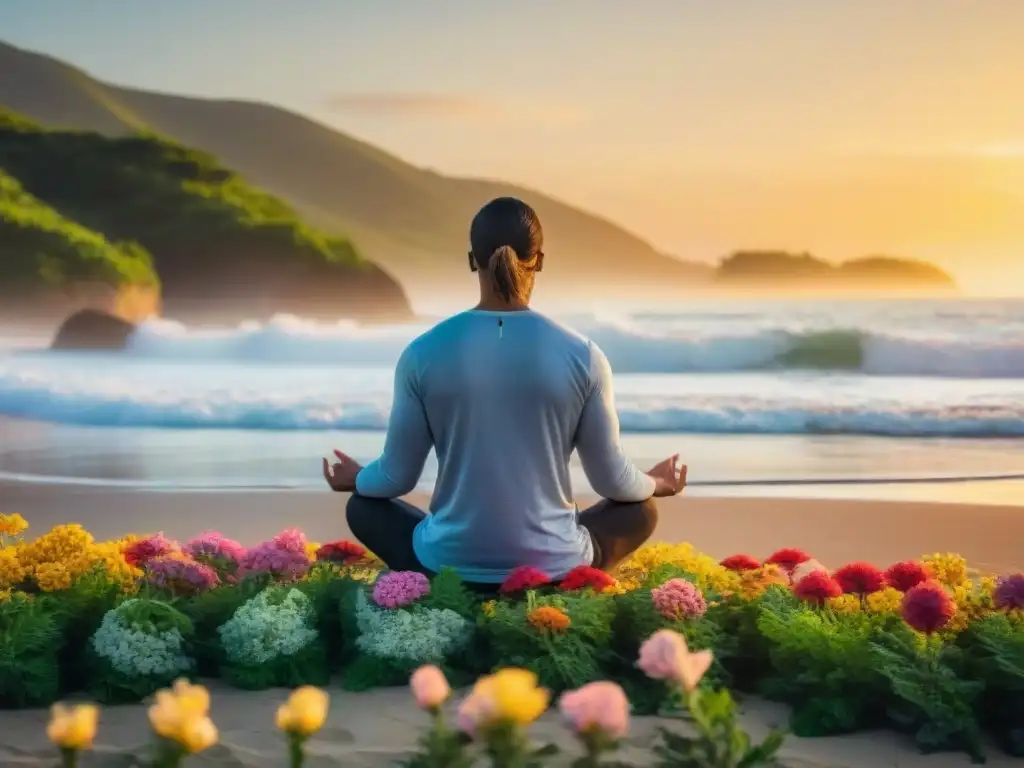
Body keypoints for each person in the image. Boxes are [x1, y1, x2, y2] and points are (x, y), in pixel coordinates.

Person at [323, 197, 686, 584]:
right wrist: (657, 483)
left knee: (364, 507)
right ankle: (556, 575)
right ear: (539, 261)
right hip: (553, 566)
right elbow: (612, 482)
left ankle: (460, 576)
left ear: (472, 260)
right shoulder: (583, 354)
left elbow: (396, 478)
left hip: (448, 563)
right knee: (641, 510)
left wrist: (357, 479)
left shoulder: (421, 352)